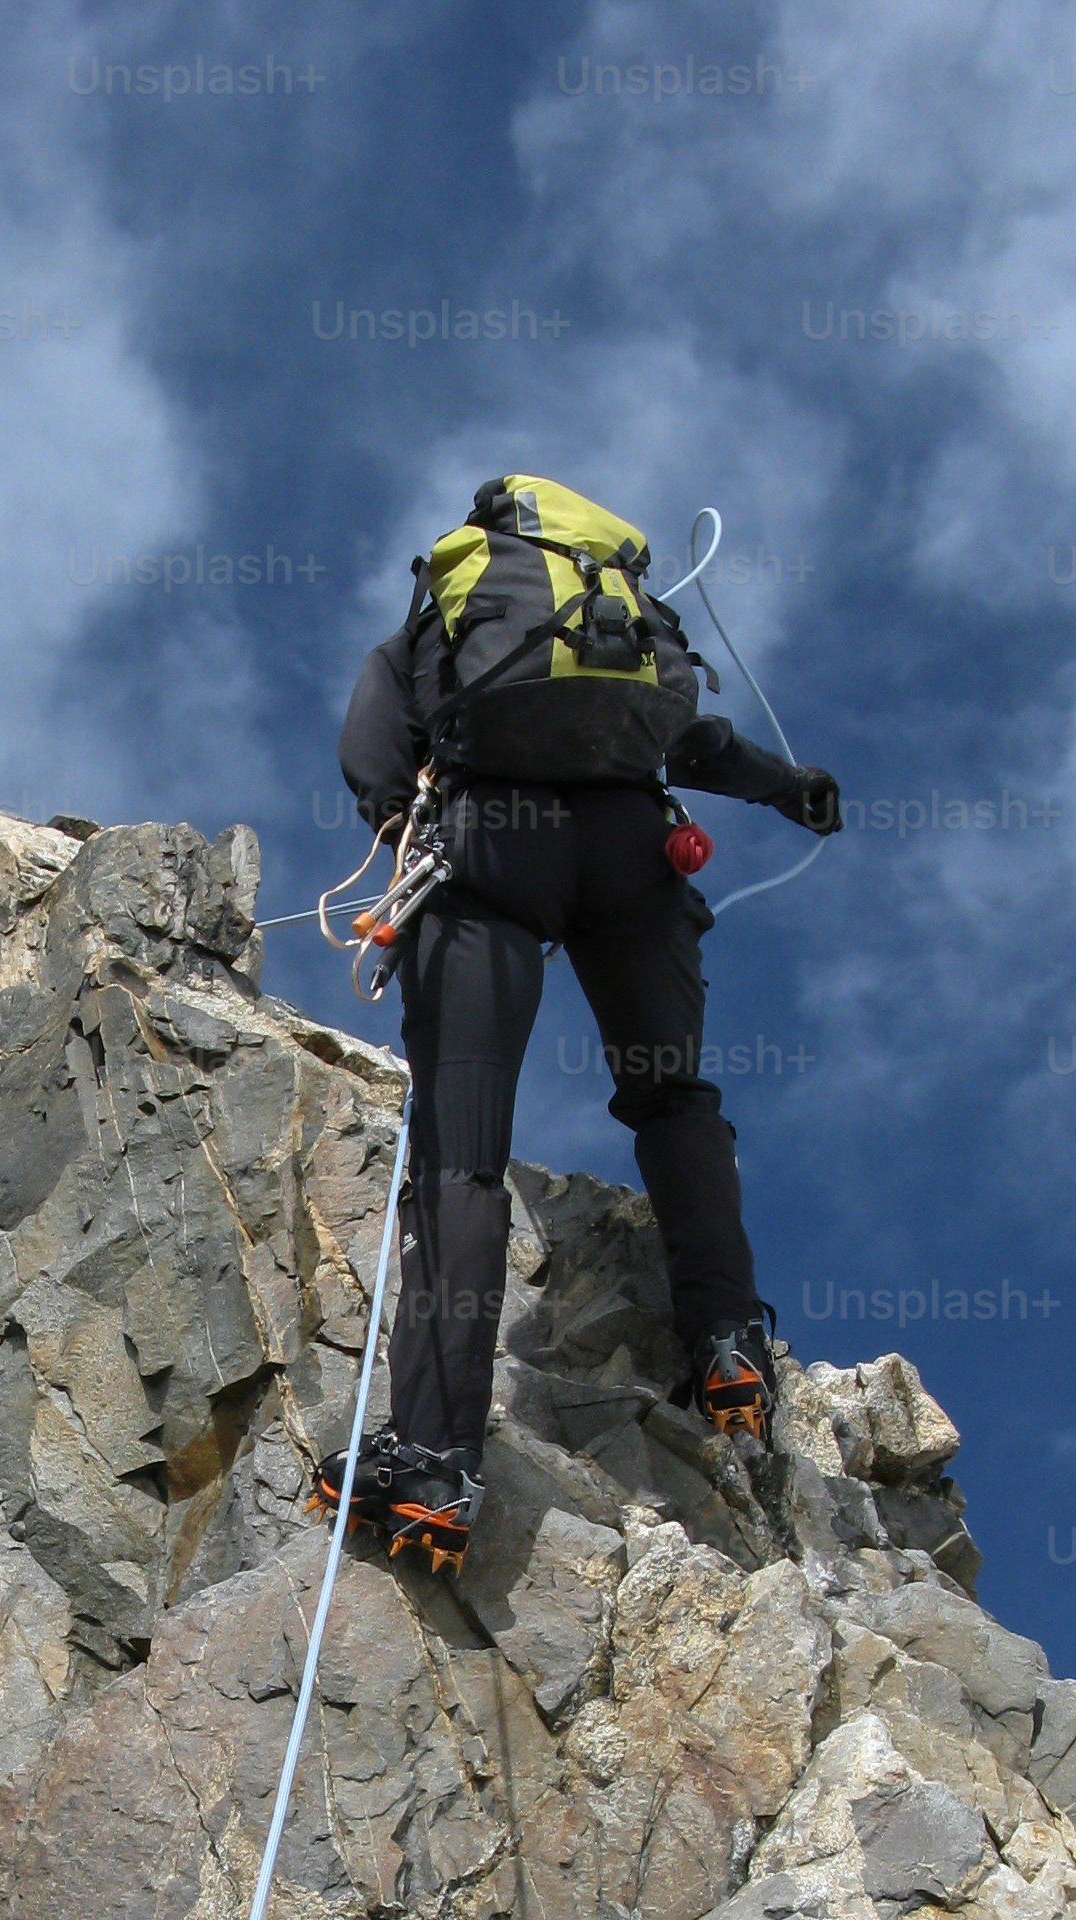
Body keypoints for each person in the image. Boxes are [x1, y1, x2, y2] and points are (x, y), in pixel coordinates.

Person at [320, 474, 842, 1561]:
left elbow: (371, 740)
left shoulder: (441, 612)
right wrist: (792, 787)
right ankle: (726, 1340)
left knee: (462, 1156)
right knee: (673, 1097)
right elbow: (691, 743)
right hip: (633, 854)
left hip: (489, 843)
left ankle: (438, 1459)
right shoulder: (619, 614)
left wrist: (406, 825)